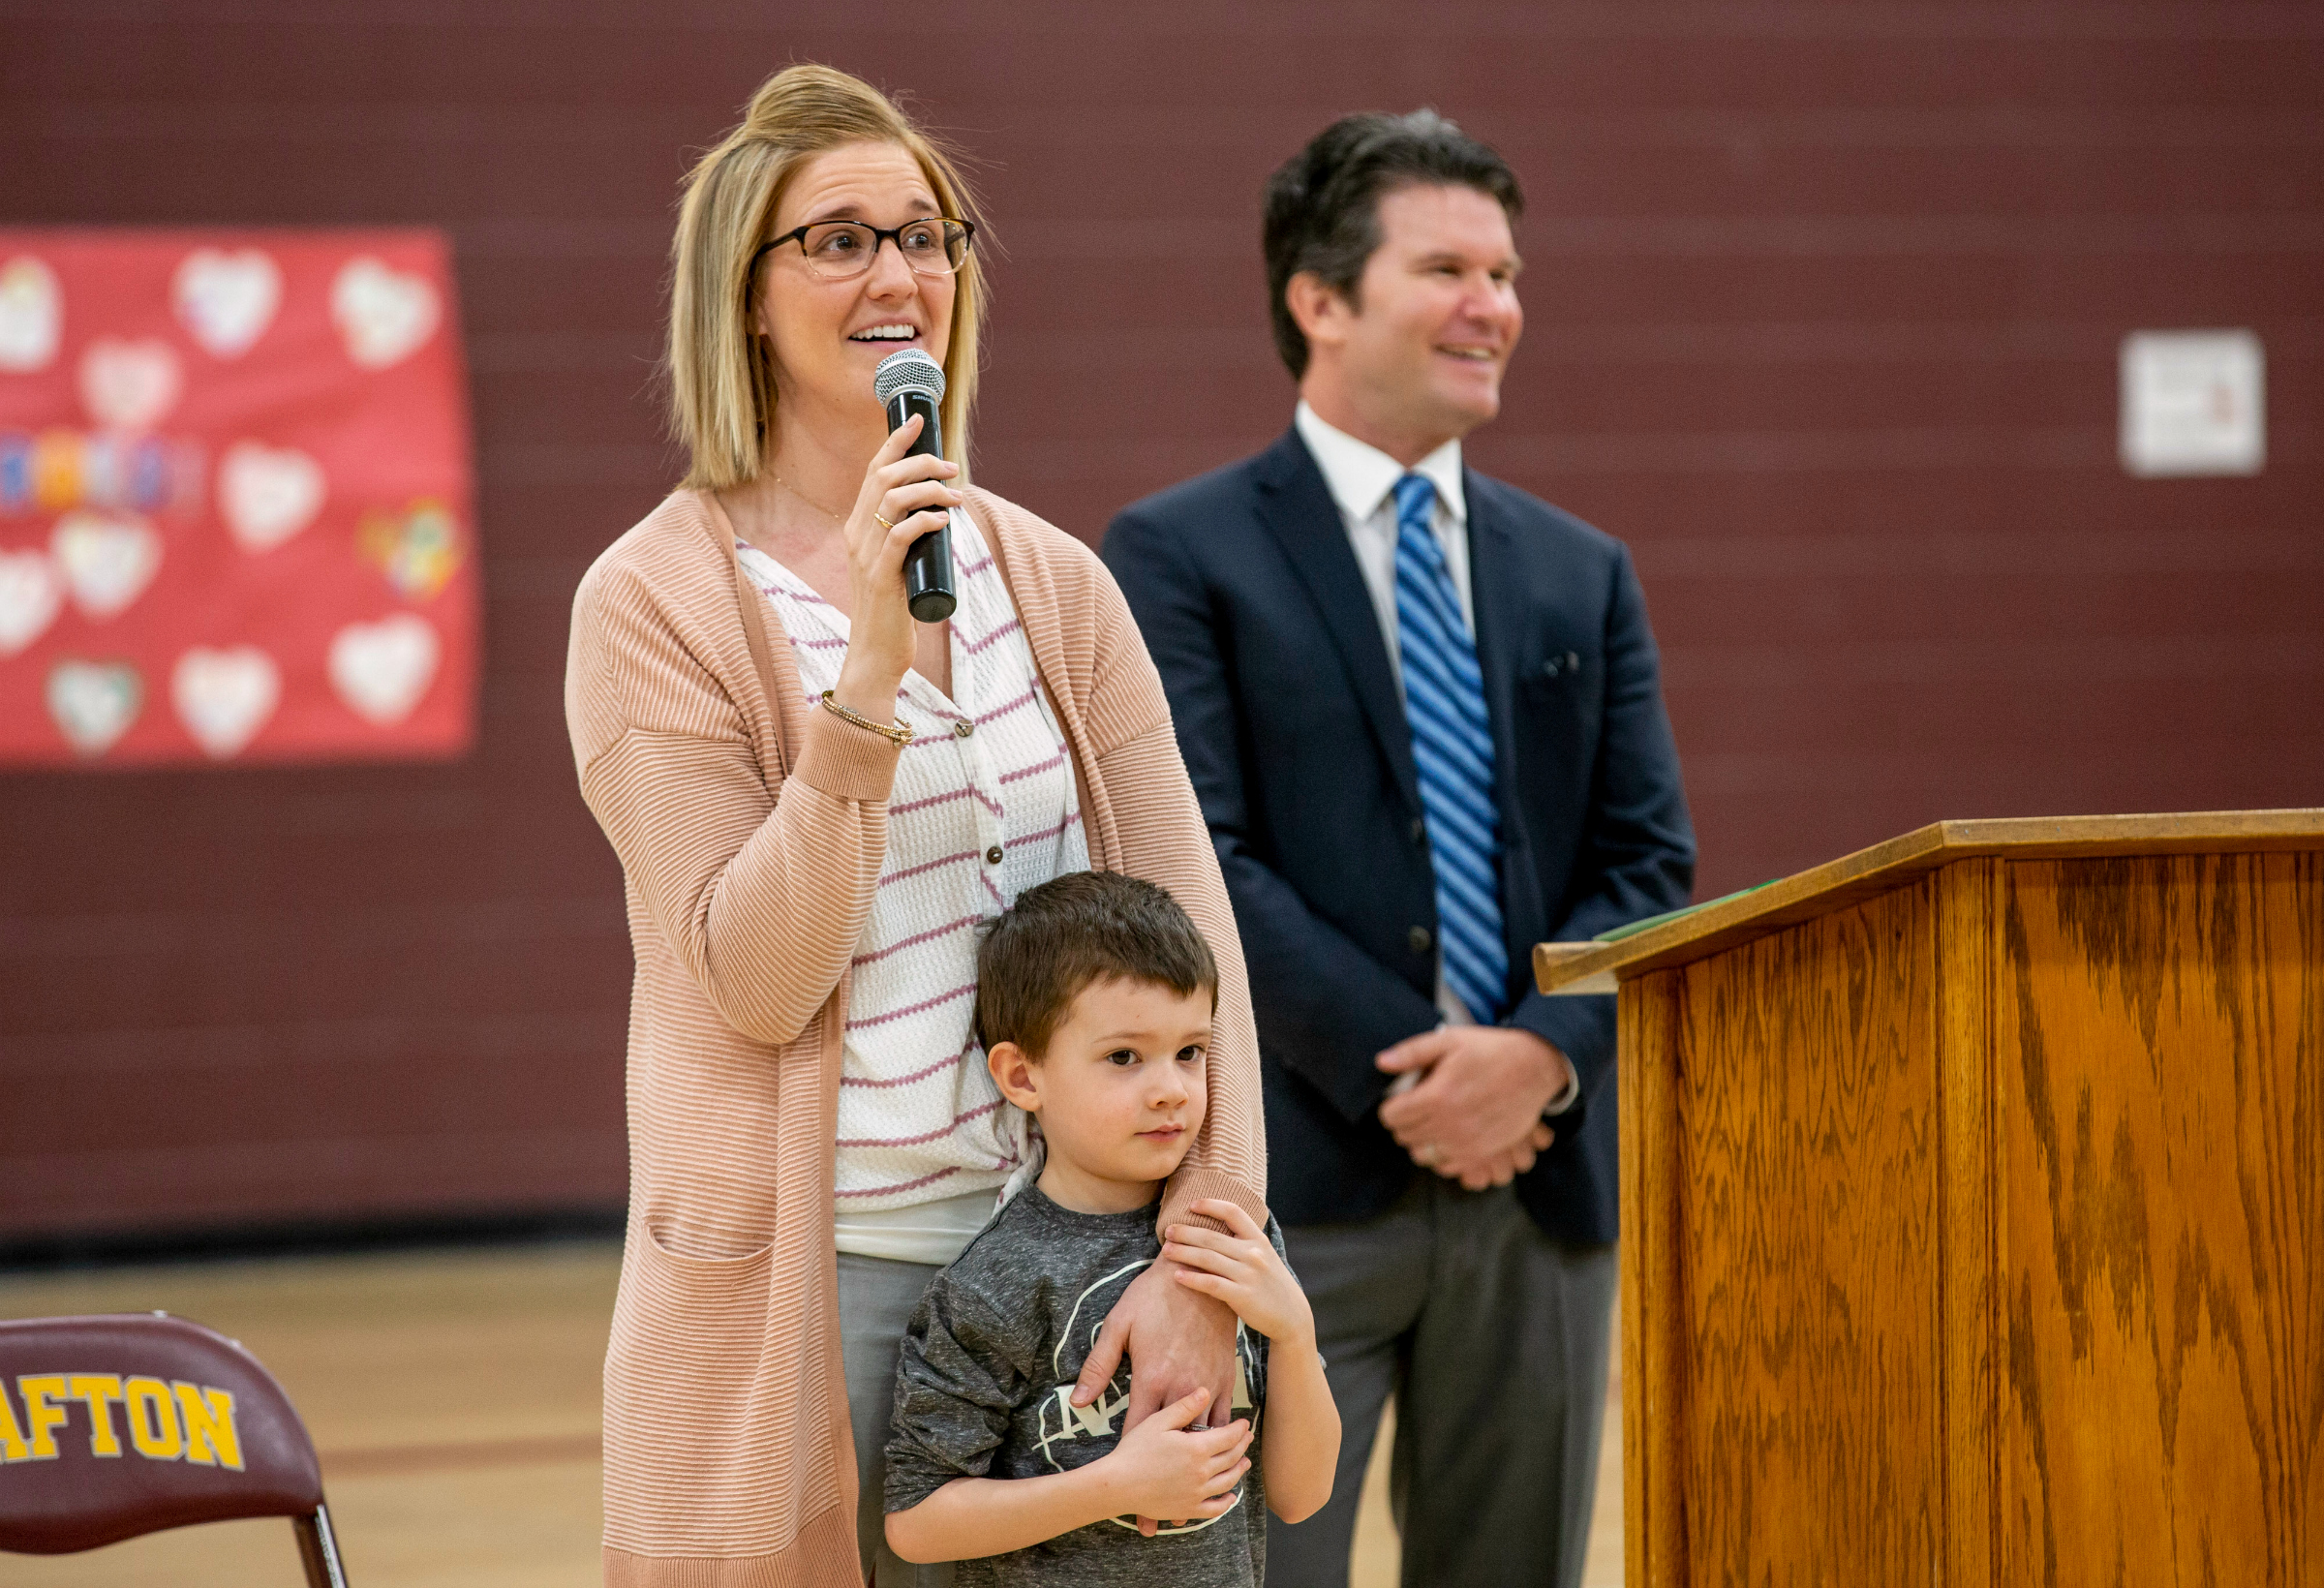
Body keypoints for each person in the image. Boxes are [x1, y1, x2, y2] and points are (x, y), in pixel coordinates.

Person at [565, 65, 1268, 1588]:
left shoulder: (1054, 580)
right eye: (837, 240)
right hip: (827, 1287)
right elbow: (752, 978)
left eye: (927, 233)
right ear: (743, 298)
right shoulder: (650, 607)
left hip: (1076, 1266)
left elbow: (1194, 937)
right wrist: (869, 670)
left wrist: (1209, 1253)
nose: (898, 275)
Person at [1101, 109, 1695, 1587]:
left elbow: (1647, 868)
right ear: (1321, 300)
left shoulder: (1580, 571)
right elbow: (1199, 868)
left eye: (1505, 272)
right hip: (1295, 1190)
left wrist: (1537, 1059)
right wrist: (1427, 1070)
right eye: (1448, 268)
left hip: (1541, 1192)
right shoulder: (1178, 555)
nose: (1496, 305)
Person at [882, 871, 1338, 1586]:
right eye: (1124, 1057)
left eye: (1190, 1052)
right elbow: (916, 1522)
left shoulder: (1234, 1237)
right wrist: (1117, 1485)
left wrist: (1296, 1335)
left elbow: (1301, 1495)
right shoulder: (993, 1280)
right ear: (1023, 1077)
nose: (1171, 1088)